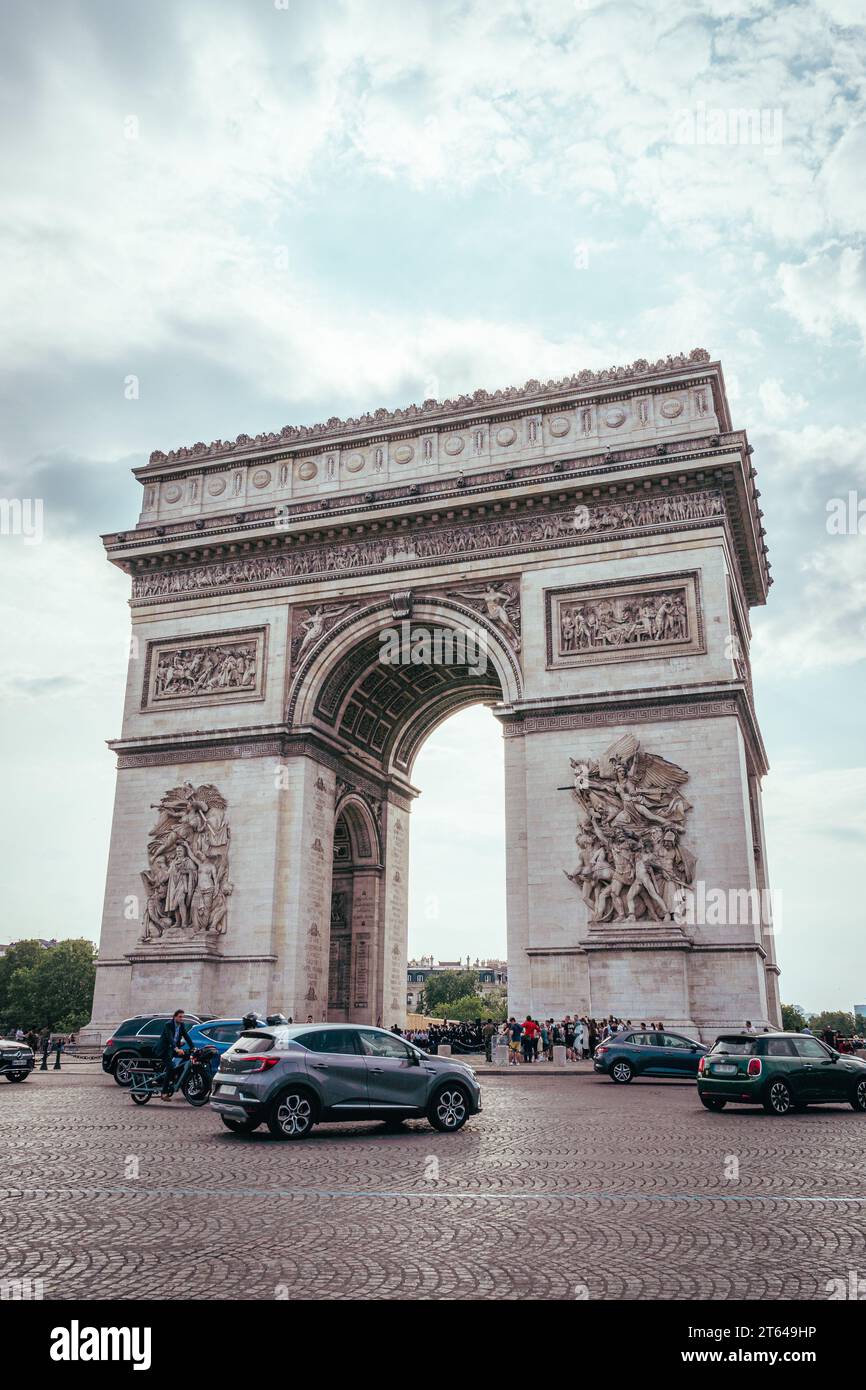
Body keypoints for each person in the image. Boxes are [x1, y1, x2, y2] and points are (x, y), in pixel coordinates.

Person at [158, 1009, 194, 1101]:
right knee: (170, 1068)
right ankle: (164, 1093)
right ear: (175, 1017)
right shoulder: (168, 1025)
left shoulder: (181, 1025)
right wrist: (176, 1048)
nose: (182, 1018)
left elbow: (186, 1036)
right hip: (165, 1049)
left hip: (173, 1049)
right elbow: (170, 1038)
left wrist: (193, 1047)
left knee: (187, 1057)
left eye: (183, 1016)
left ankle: (177, 1076)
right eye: (180, 1017)